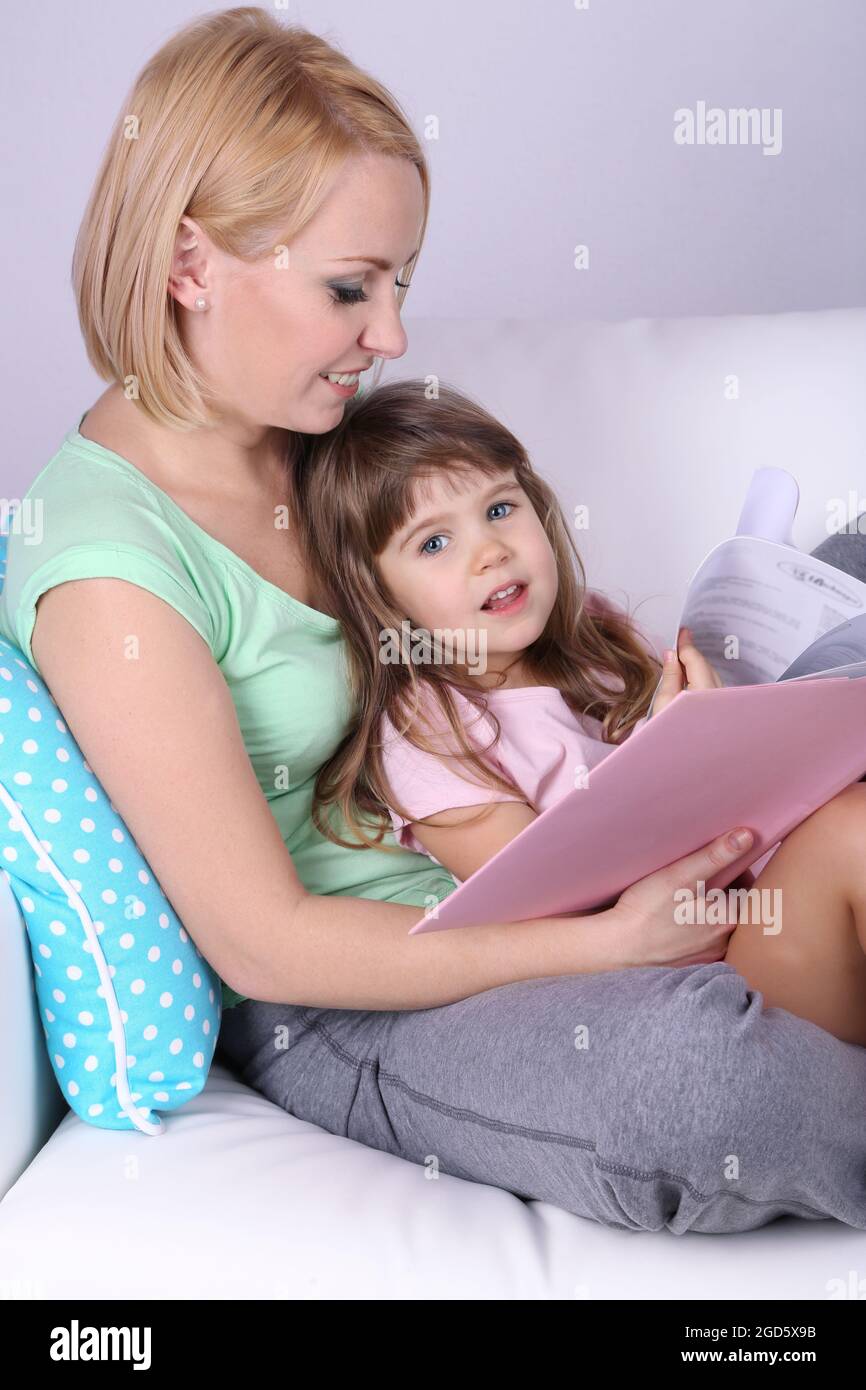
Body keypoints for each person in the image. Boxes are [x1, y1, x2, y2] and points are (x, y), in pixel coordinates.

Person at [3, 7, 865, 1235]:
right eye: (349, 287)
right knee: (699, 1079)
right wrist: (605, 947)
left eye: (398, 284)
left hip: (558, 878)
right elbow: (266, 948)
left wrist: (672, 743)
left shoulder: (318, 442)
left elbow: (515, 645)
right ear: (189, 265)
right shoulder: (109, 572)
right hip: (372, 988)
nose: (392, 336)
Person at [293, 378, 866, 1050]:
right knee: (847, 831)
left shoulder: (596, 635)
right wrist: (679, 754)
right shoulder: (430, 736)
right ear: (375, 591)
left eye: (500, 509)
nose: (490, 551)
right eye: (434, 544)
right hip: (695, 978)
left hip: (756, 908)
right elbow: (555, 913)